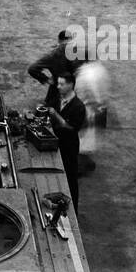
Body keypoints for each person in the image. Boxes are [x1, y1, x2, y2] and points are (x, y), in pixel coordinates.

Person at [46, 72, 87, 212]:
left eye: (62, 84)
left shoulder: (78, 107)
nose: (58, 87)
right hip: (56, 142)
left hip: (69, 147)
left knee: (70, 179)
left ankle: (73, 211)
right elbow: (48, 109)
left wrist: (55, 115)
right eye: (58, 83)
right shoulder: (58, 99)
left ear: (71, 85)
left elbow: (71, 127)